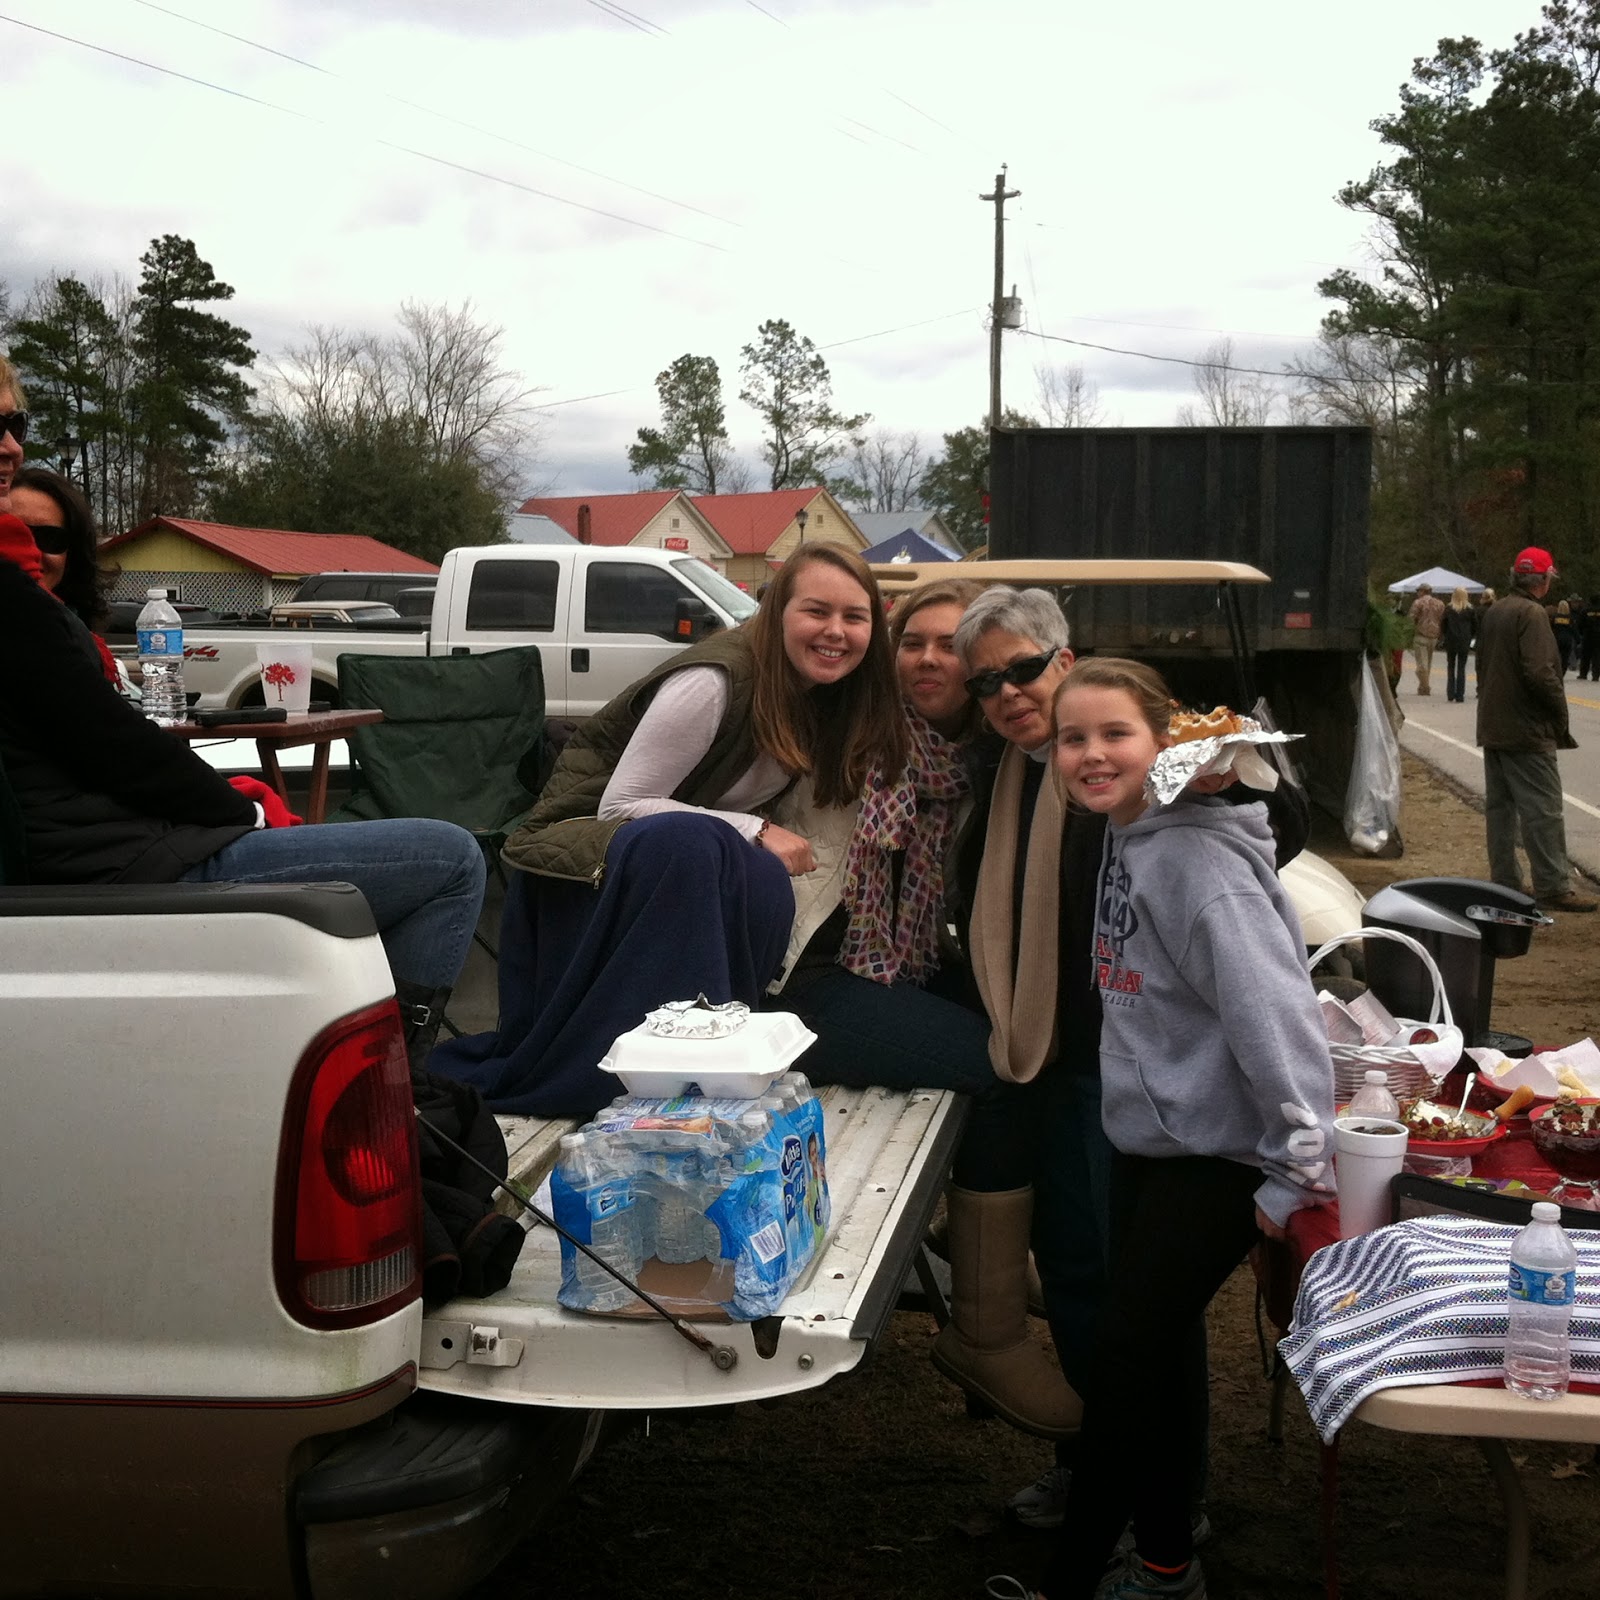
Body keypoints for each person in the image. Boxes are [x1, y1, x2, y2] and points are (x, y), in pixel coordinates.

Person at [0, 355, 486, 1062]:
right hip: (125, 876)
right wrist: (241, 811)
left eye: (16, 423)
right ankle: (389, 1088)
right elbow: (115, 749)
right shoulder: (14, 608)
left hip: (128, 851)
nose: (11, 444)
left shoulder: (39, 611)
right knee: (450, 859)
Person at [950, 588, 1311, 1540]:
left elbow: (1272, 814)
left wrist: (1217, 780)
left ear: (1062, 657)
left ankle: (1166, 1505)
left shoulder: (1144, 768)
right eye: (986, 682)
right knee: (1082, 1281)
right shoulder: (1018, 767)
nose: (1008, 692)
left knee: (1138, 1310)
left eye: (1022, 667)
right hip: (1066, 1061)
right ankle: (1101, 1466)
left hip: (1138, 1080)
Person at [430, 543, 909, 1117]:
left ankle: (722, 1051)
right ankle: (655, 1074)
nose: (835, 631)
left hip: (682, 864)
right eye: (816, 611)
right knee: (713, 847)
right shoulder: (715, 679)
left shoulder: (818, 695)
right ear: (777, 610)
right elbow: (621, 804)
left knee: (750, 871)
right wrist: (754, 828)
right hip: (583, 855)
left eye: (854, 617)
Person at [1475, 547, 1596, 913]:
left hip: (1494, 724)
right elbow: (1542, 673)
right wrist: (1559, 715)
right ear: (1543, 581)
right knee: (1543, 810)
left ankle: (1506, 882)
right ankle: (1553, 884)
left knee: (1500, 810)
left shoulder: (1496, 610)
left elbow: (1482, 664)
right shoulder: (1531, 613)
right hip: (1526, 730)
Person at [9, 466, 137, 697]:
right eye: (14, 535)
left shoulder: (77, 636)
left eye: (50, 538)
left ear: (73, 554)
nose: (33, 551)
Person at [1407, 582, 1444, 695]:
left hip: (1420, 635)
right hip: (1434, 637)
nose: (1417, 593)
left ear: (1422, 591)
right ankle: (1422, 687)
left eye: (1418, 591)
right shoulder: (1440, 604)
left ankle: (1425, 686)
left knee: (1421, 665)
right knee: (1428, 663)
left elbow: (1411, 619)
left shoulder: (1418, 603)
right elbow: (1442, 620)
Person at [1440, 585, 1475, 702]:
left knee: (1451, 666)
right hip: (1464, 641)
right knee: (1461, 668)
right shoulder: (1470, 610)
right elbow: (1475, 626)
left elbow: (1443, 624)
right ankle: (1460, 695)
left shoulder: (1449, 609)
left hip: (1451, 640)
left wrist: (1445, 635)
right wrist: (1470, 636)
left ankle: (1450, 693)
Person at [1580, 593, 1600, 682]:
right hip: (1599, 636)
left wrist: (1582, 633)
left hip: (1587, 635)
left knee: (1585, 656)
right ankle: (1595, 675)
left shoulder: (1585, 610)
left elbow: (1580, 624)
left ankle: (1583, 674)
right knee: (1597, 656)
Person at [1553, 599, 1576, 675]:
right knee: (1565, 657)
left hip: (1557, 639)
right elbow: (1574, 630)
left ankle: (1555, 672)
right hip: (1567, 640)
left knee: (1556, 657)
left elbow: (1551, 628)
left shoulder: (1555, 617)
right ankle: (1562, 672)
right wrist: (1577, 639)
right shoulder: (1570, 618)